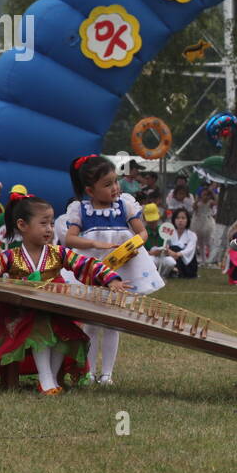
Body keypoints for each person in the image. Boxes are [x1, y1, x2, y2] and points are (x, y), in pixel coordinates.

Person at [0, 193, 127, 393]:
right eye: (44, 223)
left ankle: (51, 378)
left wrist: (111, 278)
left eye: (51, 223)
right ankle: (46, 379)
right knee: (40, 328)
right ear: (22, 225)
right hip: (20, 316)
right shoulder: (11, 256)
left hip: (55, 311)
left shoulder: (58, 253)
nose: (49, 229)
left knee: (63, 333)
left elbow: (87, 264)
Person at [62, 154, 165, 385]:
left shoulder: (125, 205)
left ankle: (107, 373)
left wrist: (132, 245)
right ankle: (87, 371)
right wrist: (95, 244)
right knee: (90, 322)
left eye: (115, 181)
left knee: (112, 322)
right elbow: (70, 239)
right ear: (90, 190)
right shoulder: (81, 209)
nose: (115, 188)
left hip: (122, 270)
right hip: (93, 271)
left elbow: (143, 232)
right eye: (107, 185)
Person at [153, 207, 198, 279]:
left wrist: (177, 254)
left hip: (186, 262)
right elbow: (166, 245)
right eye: (177, 218)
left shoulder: (192, 235)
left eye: (183, 218)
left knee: (176, 248)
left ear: (187, 220)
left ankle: (177, 271)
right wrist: (169, 251)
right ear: (174, 220)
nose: (180, 220)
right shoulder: (170, 232)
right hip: (172, 256)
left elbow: (189, 250)